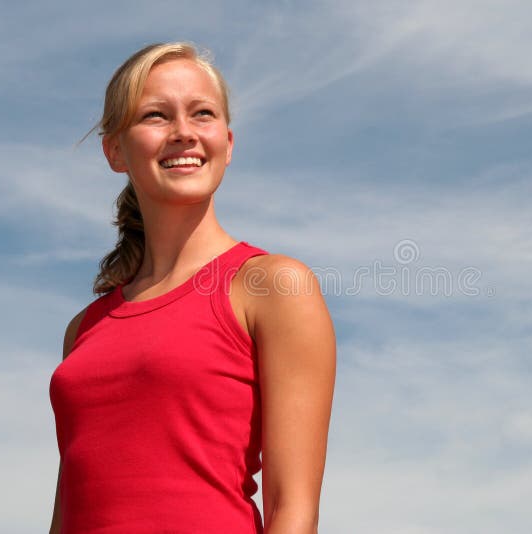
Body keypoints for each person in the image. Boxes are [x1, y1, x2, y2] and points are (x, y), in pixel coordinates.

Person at [48, 42, 336, 534]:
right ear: (115, 150)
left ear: (227, 141)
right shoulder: (84, 329)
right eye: (156, 116)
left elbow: (294, 511)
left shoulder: (272, 286)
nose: (184, 133)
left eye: (202, 114)